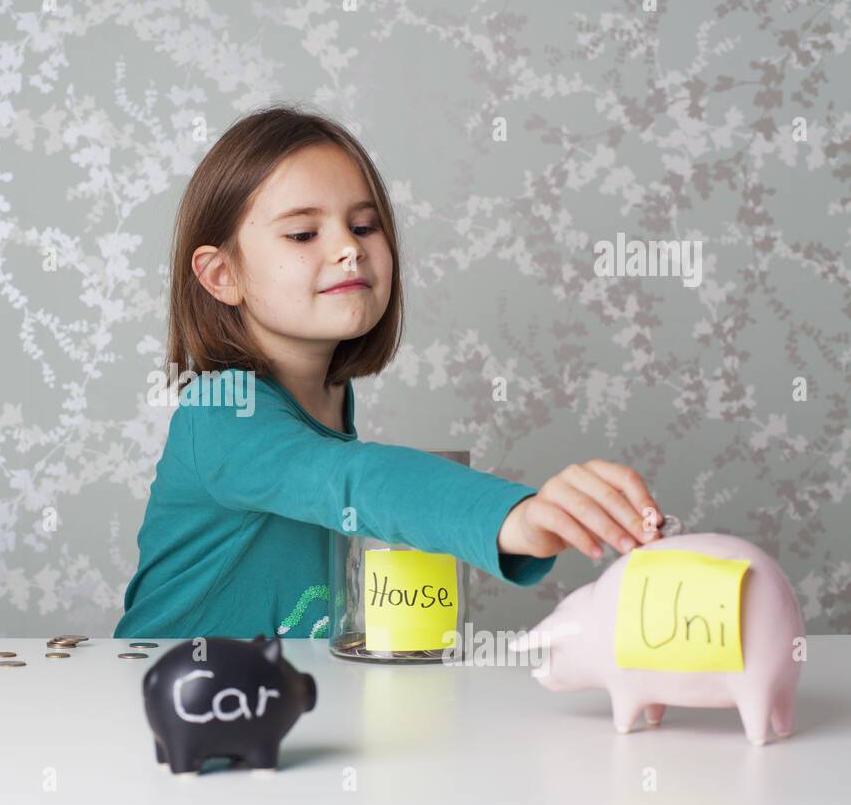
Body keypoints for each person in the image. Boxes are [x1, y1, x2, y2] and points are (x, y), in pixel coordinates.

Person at [114, 105, 662, 638]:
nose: (349, 248)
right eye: (303, 234)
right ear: (221, 275)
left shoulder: (332, 396)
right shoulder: (219, 412)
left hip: (279, 691)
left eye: (364, 225)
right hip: (157, 688)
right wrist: (515, 517)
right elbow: (352, 481)